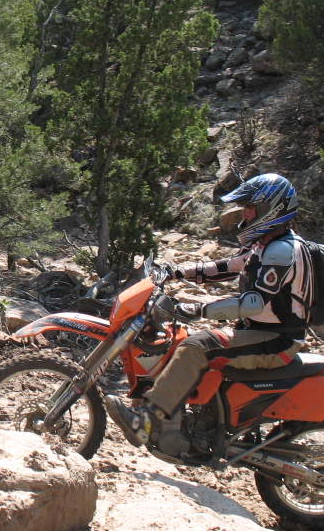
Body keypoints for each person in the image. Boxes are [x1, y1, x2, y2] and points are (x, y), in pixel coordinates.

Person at [105, 173, 310, 457]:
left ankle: (146, 421)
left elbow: (253, 303)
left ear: (272, 209)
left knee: (195, 347)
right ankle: (188, 420)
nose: (245, 213)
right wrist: (177, 271)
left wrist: (198, 309)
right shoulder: (267, 245)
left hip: (276, 340)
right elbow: (228, 266)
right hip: (260, 333)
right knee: (182, 340)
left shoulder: (282, 250)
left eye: (251, 207)